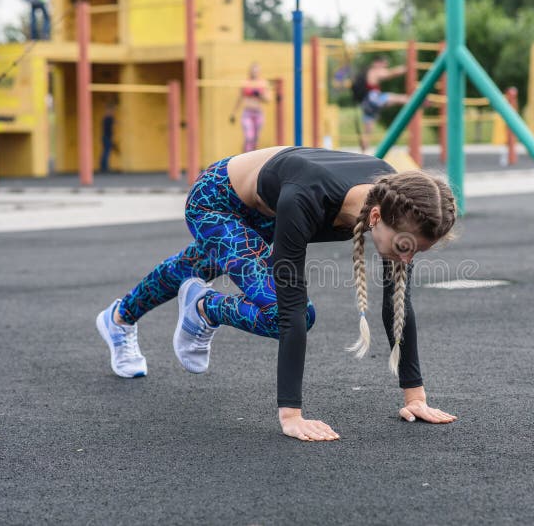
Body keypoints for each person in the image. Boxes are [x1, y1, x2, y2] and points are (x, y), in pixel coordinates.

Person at [96, 146, 458, 441]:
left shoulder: (394, 198)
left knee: (193, 267)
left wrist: (416, 398)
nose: (407, 258)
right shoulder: (309, 199)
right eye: (405, 247)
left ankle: (118, 319)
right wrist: (292, 415)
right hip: (218, 201)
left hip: (270, 206)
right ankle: (205, 306)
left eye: (417, 252)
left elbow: (398, 304)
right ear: (377, 217)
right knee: (289, 311)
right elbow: (291, 308)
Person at [355, 56, 410, 151]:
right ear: (377, 63)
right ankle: (419, 100)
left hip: (366, 103)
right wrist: (407, 68)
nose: (385, 67)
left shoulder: (367, 72)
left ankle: (363, 151)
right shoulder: (375, 71)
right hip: (373, 99)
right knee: (397, 98)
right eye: (384, 65)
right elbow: (391, 73)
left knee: (367, 131)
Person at [230, 63, 270, 152]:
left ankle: (253, 159)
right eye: (253, 71)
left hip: (258, 113)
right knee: (249, 137)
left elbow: (268, 99)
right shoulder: (246, 83)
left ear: (259, 72)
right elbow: (239, 99)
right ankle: (245, 156)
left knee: (256, 138)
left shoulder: (262, 83)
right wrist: (233, 113)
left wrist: (259, 95)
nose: (254, 73)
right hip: (247, 113)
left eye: (256, 71)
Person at [99, 100, 117, 174]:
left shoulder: (106, 118)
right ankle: (104, 167)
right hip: (107, 137)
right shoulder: (108, 118)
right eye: (112, 110)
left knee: (105, 152)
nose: (113, 112)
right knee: (106, 152)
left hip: (105, 137)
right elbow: (113, 123)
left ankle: (103, 167)